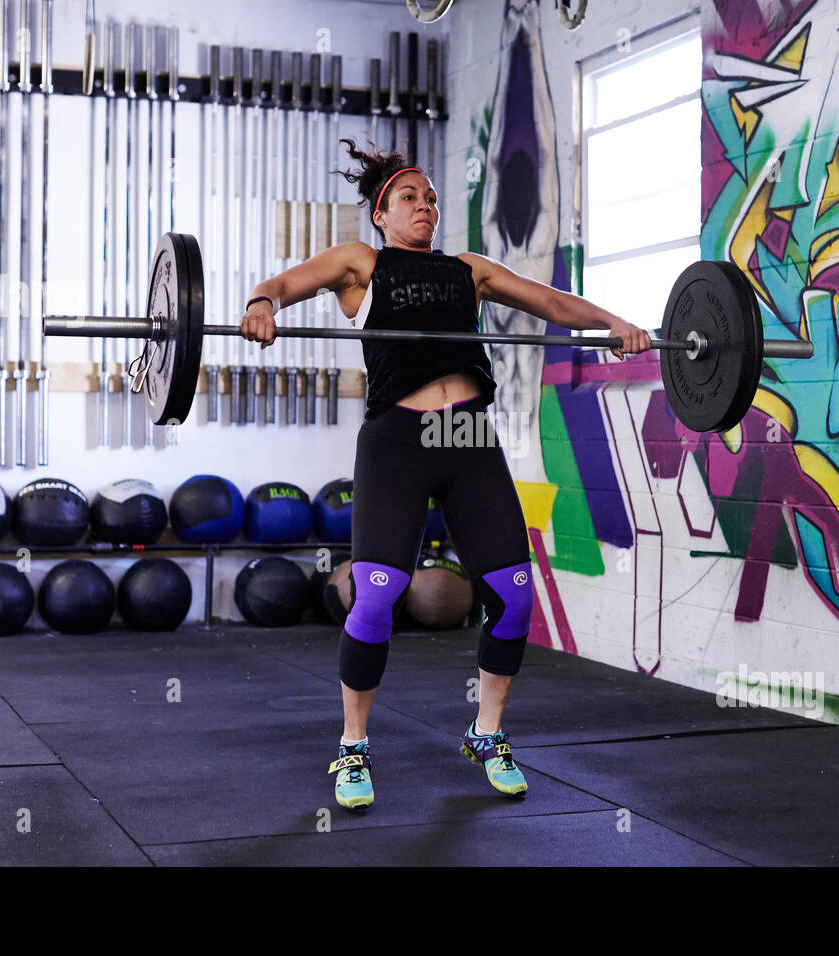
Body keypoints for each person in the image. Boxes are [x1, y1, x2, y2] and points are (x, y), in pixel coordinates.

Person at [239, 140, 651, 809]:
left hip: (465, 434)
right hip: (396, 440)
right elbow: (284, 285)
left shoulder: (469, 270)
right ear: (381, 213)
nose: (425, 205)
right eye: (410, 196)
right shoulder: (360, 264)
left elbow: (550, 304)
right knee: (375, 595)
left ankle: (487, 733)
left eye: (431, 197)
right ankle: (352, 748)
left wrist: (615, 324)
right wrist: (262, 303)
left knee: (515, 596)